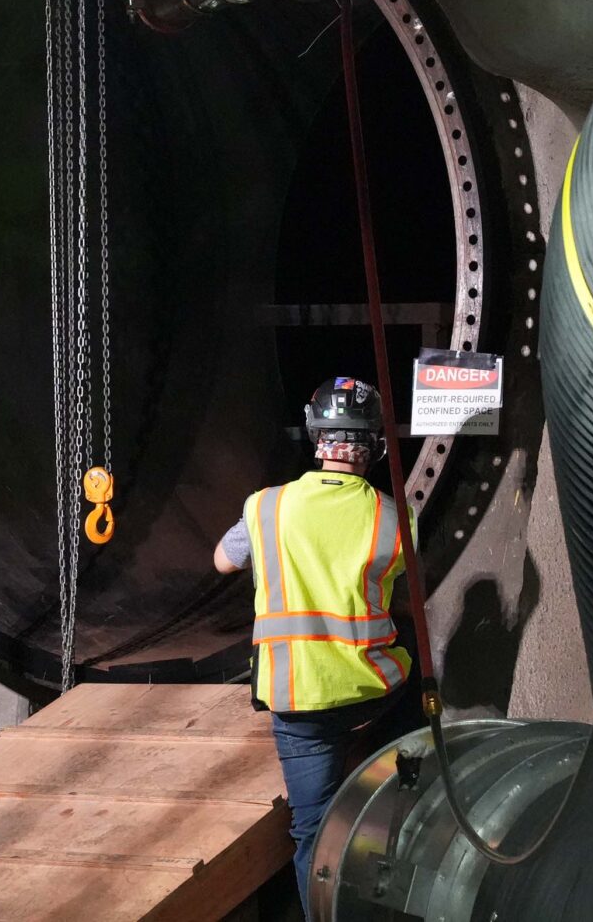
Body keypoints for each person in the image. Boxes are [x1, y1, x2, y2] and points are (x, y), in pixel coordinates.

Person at [214, 377, 413, 919]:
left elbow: (222, 562)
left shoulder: (266, 509)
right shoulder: (395, 518)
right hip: (376, 697)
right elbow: (398, 588)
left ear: (314, 434)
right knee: (389, 810)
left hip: (298, 700)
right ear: (371, 445)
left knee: (314, 830)